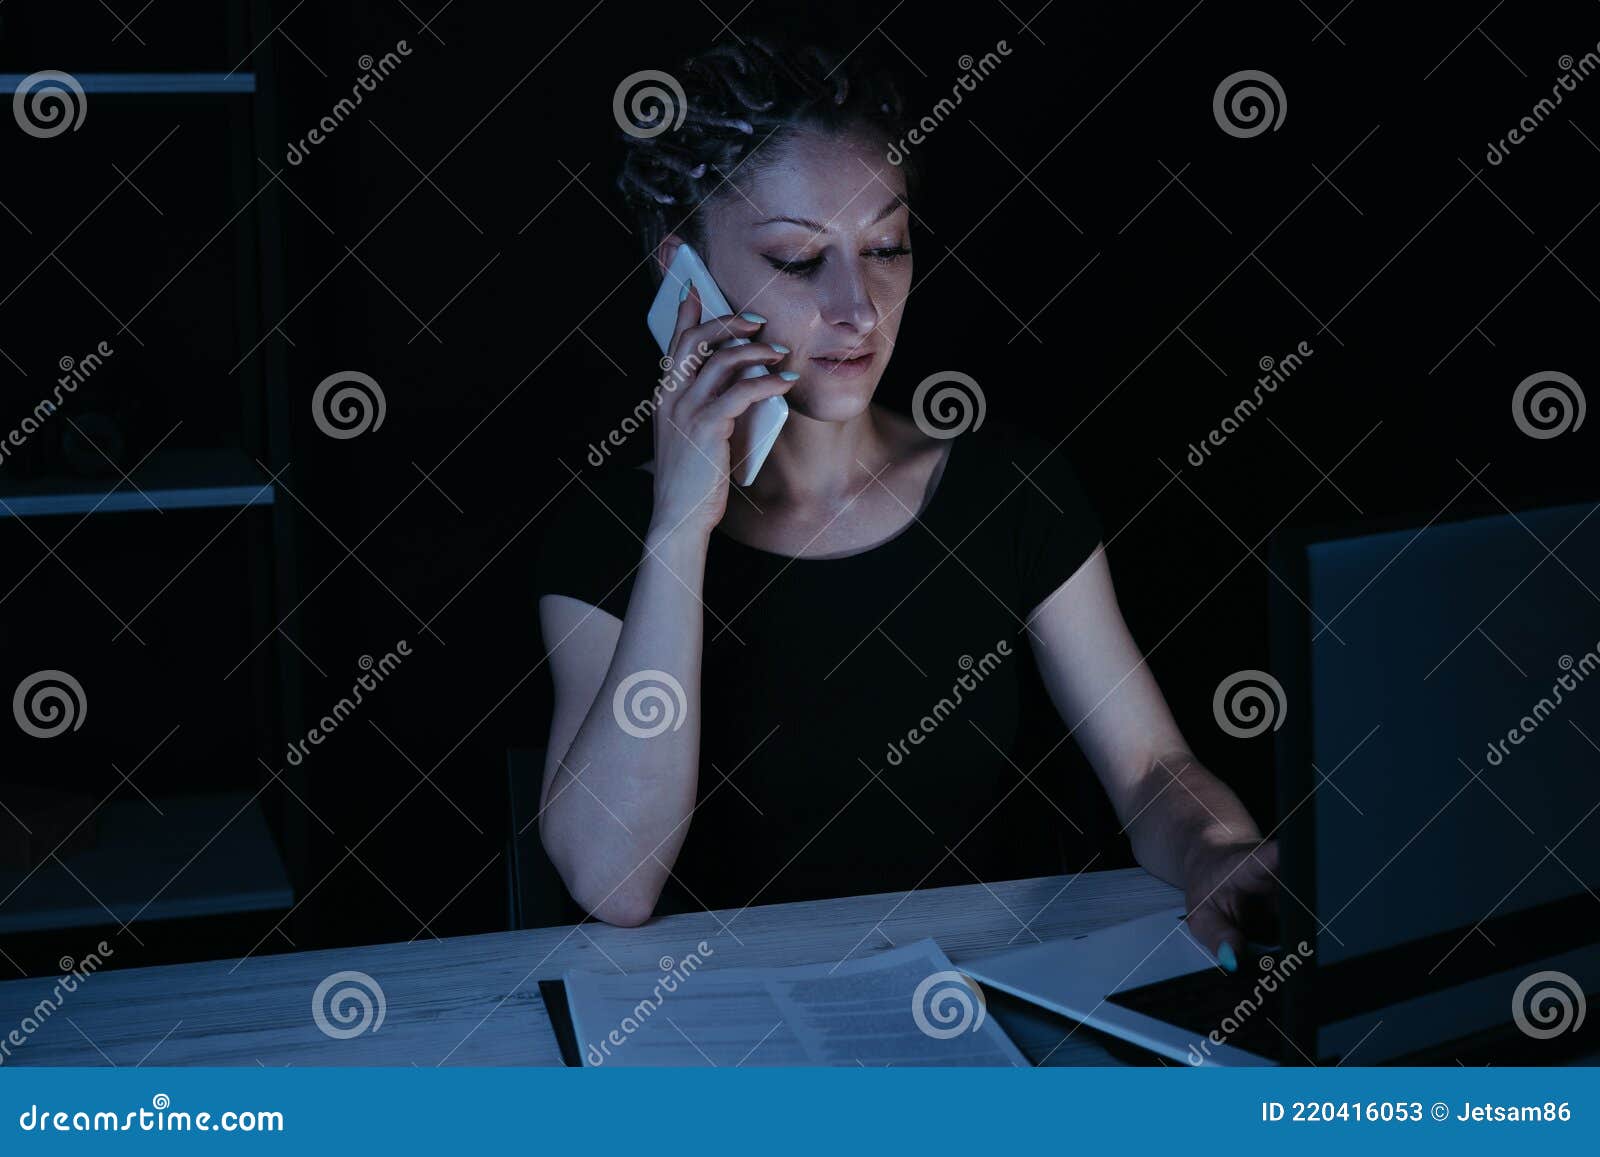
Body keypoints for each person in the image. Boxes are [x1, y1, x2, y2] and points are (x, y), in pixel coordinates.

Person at [533, 37, 1276, 967]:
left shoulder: (1012, 493)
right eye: (800, 259)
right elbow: (613, 879)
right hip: (717, 1027)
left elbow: (1151, 769)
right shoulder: (608, 537)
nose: (860, 308)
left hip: (973, 1007)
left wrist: (1212, 850)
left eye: (885, 247)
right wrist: (681, 527)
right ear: (685, 273)